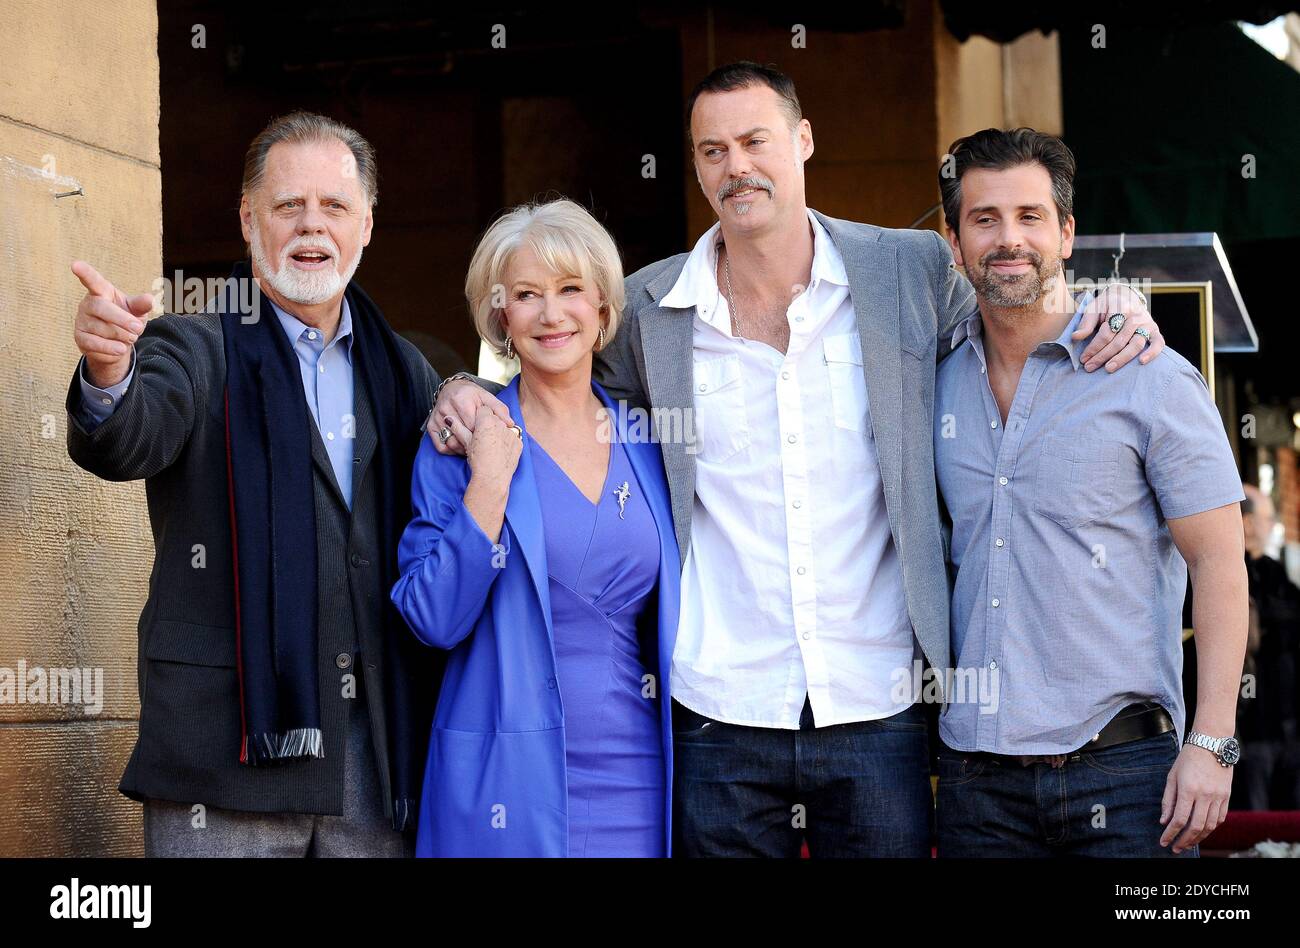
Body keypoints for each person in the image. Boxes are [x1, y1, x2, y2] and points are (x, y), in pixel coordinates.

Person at [432, 62, 1169, 857]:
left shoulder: (906, 270)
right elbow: (550, 366)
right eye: (712, 151)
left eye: (755, 140)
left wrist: (1109, 299)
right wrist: (463, 383)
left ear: (804, 140)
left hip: (878, 704)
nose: (736, 166)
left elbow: (1017, 311)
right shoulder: (650, 309)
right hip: (716, 713)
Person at [65, 112, 443, 856]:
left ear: (366, 224)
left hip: (373, 760)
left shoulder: (407, 372)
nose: (312, 226)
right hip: (222, 753)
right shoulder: (191, 346)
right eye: (287, 206)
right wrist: (110, 373)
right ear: (248, 220)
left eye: (334, 206)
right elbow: (127, 435)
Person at [931, 127, 1249, 857]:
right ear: (954, 243)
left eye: (1030, 216)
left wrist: (1214, 742)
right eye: (984, 220)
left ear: (1068, 234)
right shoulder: (936, 380)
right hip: (977, 787)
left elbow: (1220, 565)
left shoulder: (1151, 377)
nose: (1008, 239)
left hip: (1129, 777)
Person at [390, 199, 681, 857]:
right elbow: (432, 617)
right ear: (501, 317)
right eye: (527, 295)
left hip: (637, 775)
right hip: (503, 778)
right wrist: (489, 481)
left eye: (571, 290)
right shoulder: (458, 438)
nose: (551, 314)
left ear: (604, 308)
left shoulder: (649, 439)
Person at [1236, 484, 1300, 809]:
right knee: (1254, 827)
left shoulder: (1275, 573)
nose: (1273, 525)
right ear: (1246, 523)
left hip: (1289, 725)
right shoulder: (1231, 574)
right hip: (1253, 731)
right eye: (1267, 517)